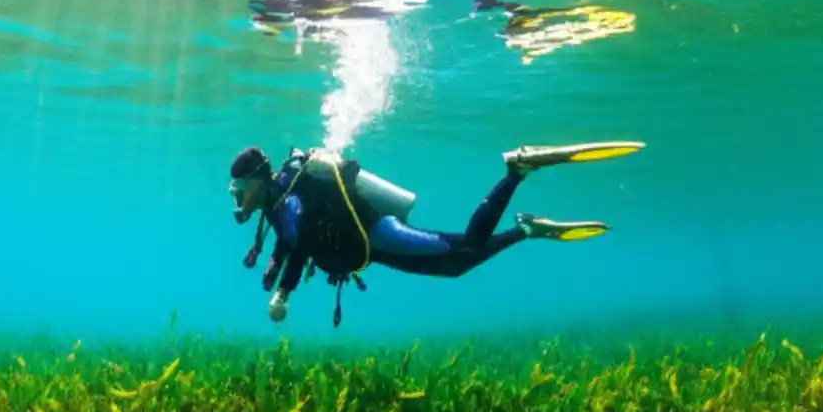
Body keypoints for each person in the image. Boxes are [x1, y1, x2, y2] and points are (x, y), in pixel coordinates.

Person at [229, 141, 643, 324]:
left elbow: (298, 239)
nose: (236, 199)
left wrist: (282, 287)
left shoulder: (288, 199)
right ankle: (526, 229)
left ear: (257, 181)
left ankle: (517, 168)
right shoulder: (278, 204)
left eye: (239, 190)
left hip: (379, 234)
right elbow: (295, 241)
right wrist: (282, 288)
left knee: (467, 244)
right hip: (369, 251)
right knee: (455, 268)